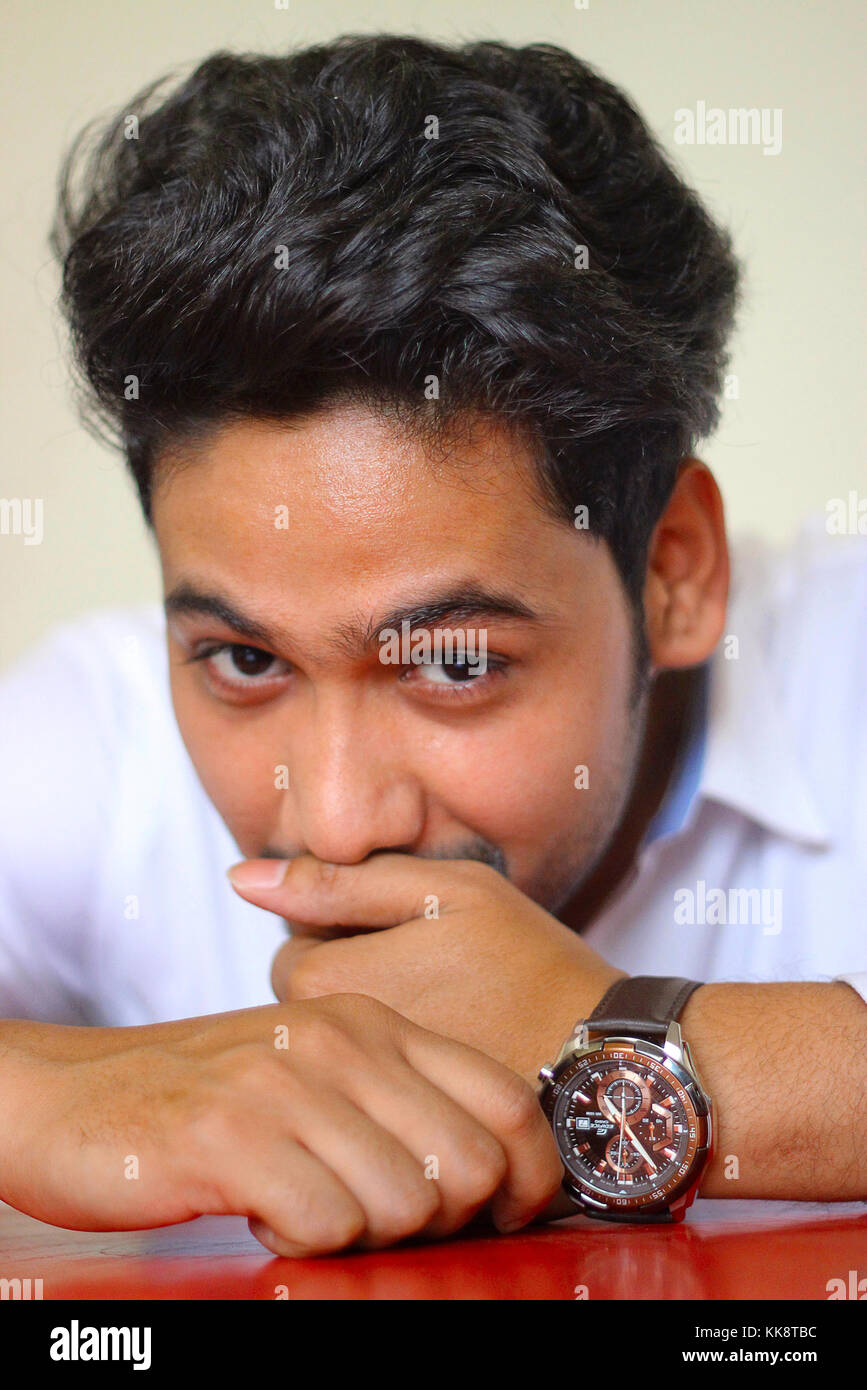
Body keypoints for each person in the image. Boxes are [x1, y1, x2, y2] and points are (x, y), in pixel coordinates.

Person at [0, 36, 864, 1256]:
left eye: (453, 662)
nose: (340, 821)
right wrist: (38, 1098)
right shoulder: (92, 741)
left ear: (674, 570)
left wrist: (621, 1042)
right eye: (245, 662)